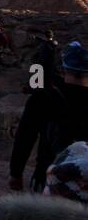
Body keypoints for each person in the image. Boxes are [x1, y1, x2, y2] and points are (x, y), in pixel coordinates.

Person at [9, 42, 88, 192]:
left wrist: (15, 173)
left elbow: (25, 137)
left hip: (49, 176)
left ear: (64, 68)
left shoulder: (44, 98)